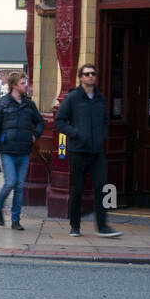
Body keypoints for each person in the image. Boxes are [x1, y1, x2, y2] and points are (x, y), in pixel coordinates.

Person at [54, 64, 121, 238]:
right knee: (78, 189)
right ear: (81, 77)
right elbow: (59, 121)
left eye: (93, 73)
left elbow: (105, 121)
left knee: (102, 187)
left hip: (96, 151)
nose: (90, 76)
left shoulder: (100, 98)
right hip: (78, 151)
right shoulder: (73, 98)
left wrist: (101, 136)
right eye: (87, 74)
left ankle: (102, 226)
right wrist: (75, 133)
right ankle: (75, 226)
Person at [0, 70, 44, 230]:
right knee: (10, 183)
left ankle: (15, 220)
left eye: (26, 83)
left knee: (19, 186)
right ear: (13, 85)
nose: (26, 86)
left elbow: (40, 122)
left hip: (24, 151)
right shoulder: (2, 104)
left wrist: (35, 135)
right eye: (22, 83)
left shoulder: (29, 104)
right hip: (7, 152)